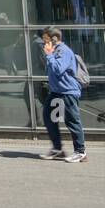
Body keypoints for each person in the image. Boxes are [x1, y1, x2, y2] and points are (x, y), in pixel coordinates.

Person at [39, 26, 87, 163]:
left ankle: (80, 152)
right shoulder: (55, 51)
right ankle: (57, 149)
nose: (44, 42)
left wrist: (49, 55)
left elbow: (58, 69)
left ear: (54, 39)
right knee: (48, 117)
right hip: (56, 92)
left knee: (72, 121)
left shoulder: (64, 51)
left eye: (45, 39)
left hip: (67, 92)